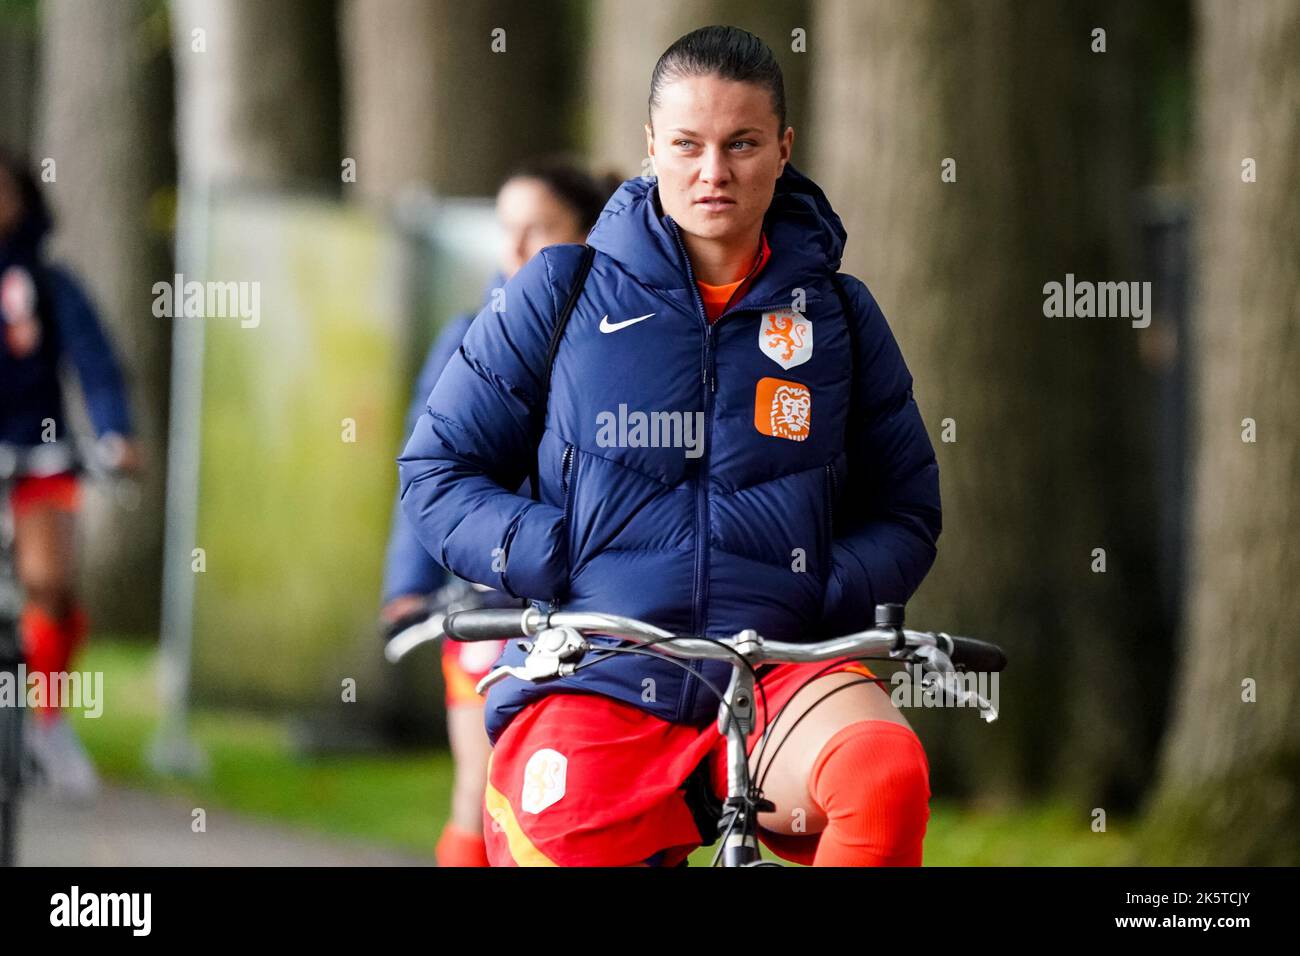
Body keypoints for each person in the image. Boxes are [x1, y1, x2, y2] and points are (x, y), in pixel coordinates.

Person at [398, 26, 942, 867]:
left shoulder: (840, 315)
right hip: (598, 666)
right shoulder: (561, 288)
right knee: (558, 836)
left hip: (772, 672)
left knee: (882, 771)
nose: (713, 172)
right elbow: (437, 472)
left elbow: (906, 510)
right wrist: (553, 552)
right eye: (687, 145)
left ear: (785, 149)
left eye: (743, 144)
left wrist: (822, 590)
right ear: (651, 146)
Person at [381, 156, 620, 867]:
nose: (515, 251)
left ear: (586, 237)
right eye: (505, 230)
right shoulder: (468, 335)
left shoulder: (622, 339)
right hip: (490, 603)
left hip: (600, 608)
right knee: (480, 791)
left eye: (537, 230)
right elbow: (429, 473)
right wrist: (406, 586)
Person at [0, 147, 140, 801]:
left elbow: (95, 361)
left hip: (40, 454)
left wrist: (114, 433)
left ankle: (46, 722)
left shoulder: (49, 283)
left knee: (49, 584)